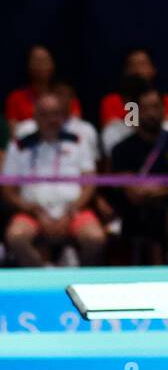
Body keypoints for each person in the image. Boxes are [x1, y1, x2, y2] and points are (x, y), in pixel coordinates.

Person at [2, 91, 105, 266]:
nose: (51, 120)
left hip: (73, 210)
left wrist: (72, 209)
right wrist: (32, 209)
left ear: (65, 116)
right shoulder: (19, 146)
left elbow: (89, 182)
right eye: (45, 114)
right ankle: (43, 274)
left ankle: (78, 278)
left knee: (95, 238)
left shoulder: (78, 142)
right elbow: (7, 190)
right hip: (34, 212)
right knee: (16, 237)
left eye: (56, 114)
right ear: (35, 116)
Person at [109, 86, 168, 265]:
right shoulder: (122, 149)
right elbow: (135, 194)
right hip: (138, 214)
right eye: (145, 108)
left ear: (164, 109)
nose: (152, 113)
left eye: (156, 107)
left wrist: (159, 188)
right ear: (135, 111)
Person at [99, 47, 168, 155]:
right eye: (132, 65)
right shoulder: (113, 104)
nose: (137, 70)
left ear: (153, 69)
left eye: (142, 64)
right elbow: (113, 140)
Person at [5, 44, 82, 133]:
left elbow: (76, 128)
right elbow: (15, 134)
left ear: (53, 64)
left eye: (45, 60)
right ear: (28, 65)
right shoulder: (16, 98)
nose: (41, 65)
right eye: (36, 60)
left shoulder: (66, 94)